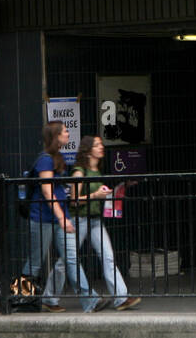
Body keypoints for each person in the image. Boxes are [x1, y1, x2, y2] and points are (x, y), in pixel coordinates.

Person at [25, 121, 106, 313]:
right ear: (56, 136)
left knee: (72, 258)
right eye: (65, 131)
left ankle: (90, 301)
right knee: (35, 262)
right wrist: (62, 218)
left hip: (59, 218)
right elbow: (47, 191)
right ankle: (22, 298)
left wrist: (63, 217)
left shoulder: (56, 157)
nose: (68, 134)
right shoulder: (45, 160)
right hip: (43, 219)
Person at [67, 135, 140, 310]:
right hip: (80, 220)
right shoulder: (79, 171)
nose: (102, 147)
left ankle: (121, 297)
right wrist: (95, 196)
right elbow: (73, 200)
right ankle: (49, 297)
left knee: (108, 257)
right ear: (88, 150)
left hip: (94, 221)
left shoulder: (96, 171)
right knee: (65, 261)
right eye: (97, 145)